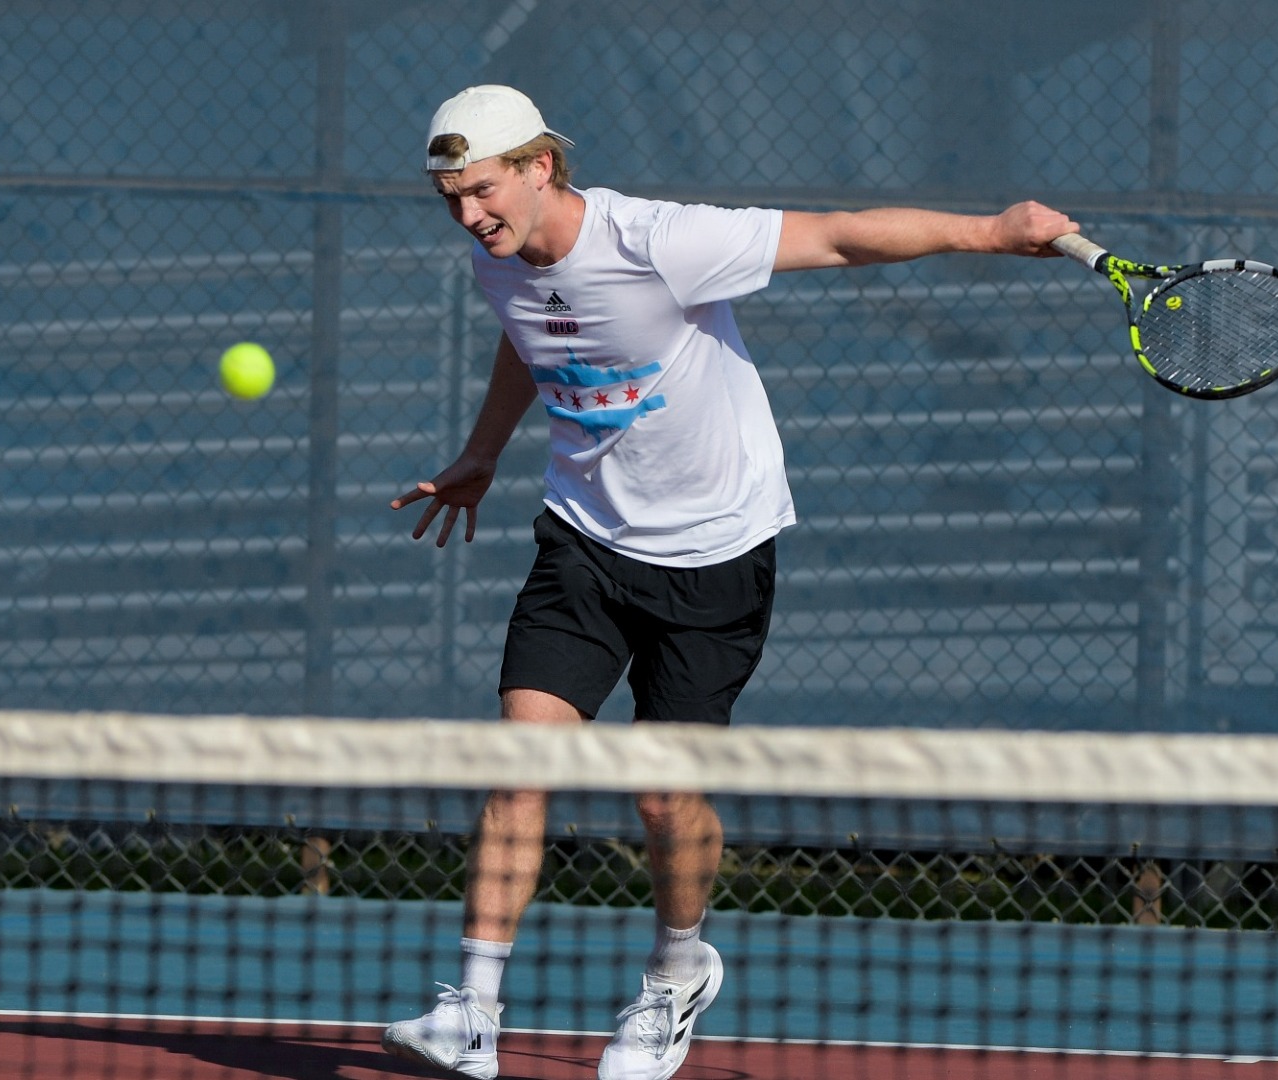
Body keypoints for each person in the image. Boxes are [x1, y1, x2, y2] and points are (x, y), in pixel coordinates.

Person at [382, 84, 1077, 1080]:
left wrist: (989, 231)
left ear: (540, 166)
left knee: (664, 800)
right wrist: (483, 450)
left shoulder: (659, 241)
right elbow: (531, 333)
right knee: (520, 764)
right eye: (449, 197)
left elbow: (839, 238)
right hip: (582, 540)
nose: (466, 215)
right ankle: (474, 1010)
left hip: (713, 553)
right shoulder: (499, 258)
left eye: (482, 190)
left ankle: (676, 971)